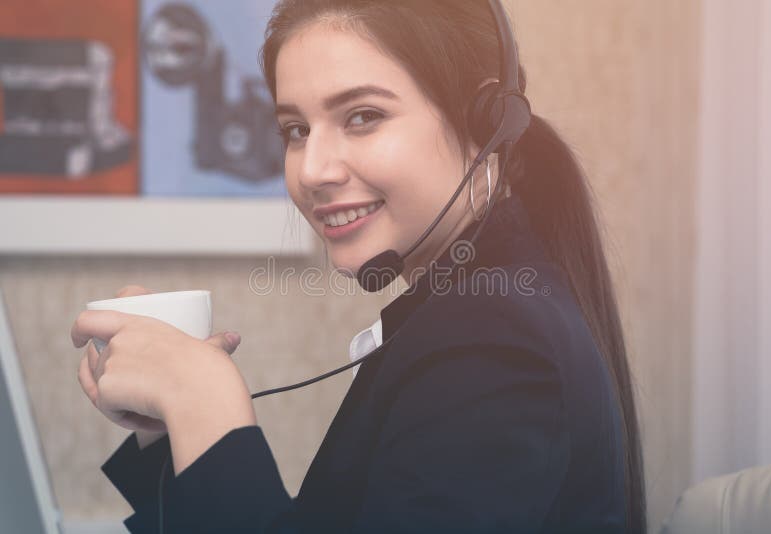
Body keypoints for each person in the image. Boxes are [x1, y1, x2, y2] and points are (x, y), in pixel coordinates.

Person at [71, 1, 646, 532]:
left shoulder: (495, 344)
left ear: (483, 124)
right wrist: (174, 426)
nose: (312, 169)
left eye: (363, 116)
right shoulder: (470, 316)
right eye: (296, 130)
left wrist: (205, 400)